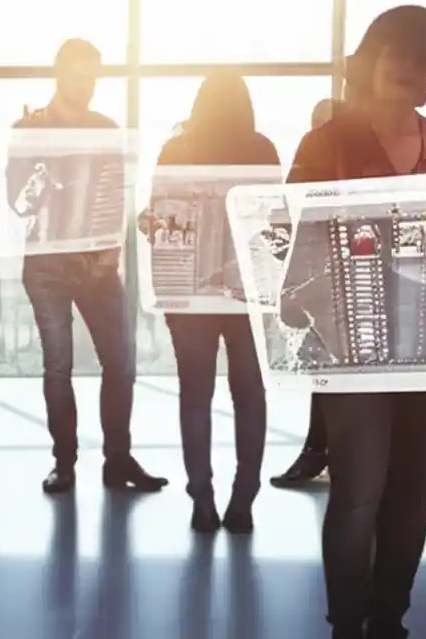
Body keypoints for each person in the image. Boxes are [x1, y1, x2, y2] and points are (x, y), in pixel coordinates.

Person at [287, 6, 426, 639]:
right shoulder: (327, 141)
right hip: (352, 349)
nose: (410, 67)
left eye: (424, 57)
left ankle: (388, 620)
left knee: (414, 496)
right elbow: (294, 245)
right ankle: (346, 624)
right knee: (359, 494)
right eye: (398, 51)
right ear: (371, 57)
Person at [9, 38, 167, 494]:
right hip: (46, 265)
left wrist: (111, 254)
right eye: (80, 75)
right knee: (58, 367)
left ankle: (118, 460)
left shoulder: (105, 127)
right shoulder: (29, 128)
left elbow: (117, 192)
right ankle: (65, 463)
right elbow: (19, 201)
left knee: (121, 364)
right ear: (59, 73)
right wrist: (42, 161)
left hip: (98, 263)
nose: (88, 84)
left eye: (94, 76)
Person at [148, 71, 278, 533]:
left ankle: (201, 499)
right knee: (249, 394)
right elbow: (274, 224)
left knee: (195, 396)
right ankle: (244, 500)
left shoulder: (176, 149)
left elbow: (156, 221)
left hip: (190, 290)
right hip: (246, 292)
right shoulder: (261, 149)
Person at [270, 96, 347, 489]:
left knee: (332, 370)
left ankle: (323, 452)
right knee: (324, 369)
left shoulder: (332, 155)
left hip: (341, 278)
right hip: (322, 277)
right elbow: (284, 211)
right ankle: (322, 452)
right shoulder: (316, 154)